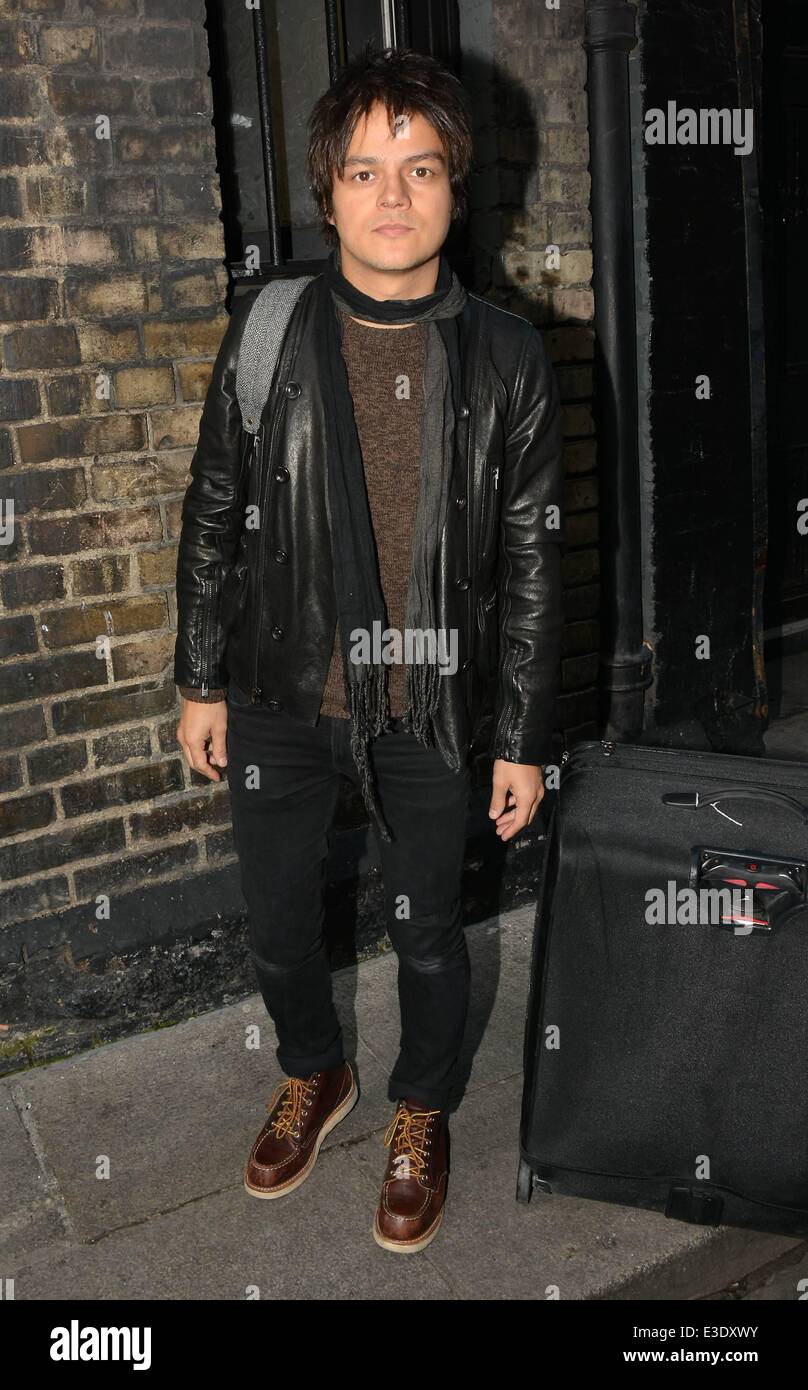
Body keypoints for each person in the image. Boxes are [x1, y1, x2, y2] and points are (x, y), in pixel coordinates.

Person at [173, 46, 564, 1254]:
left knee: (431, 931)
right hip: (283, 693)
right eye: (363, 170)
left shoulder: (508, 355)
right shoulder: (270, 326)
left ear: (456, 190)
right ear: (326, 190)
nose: (391, 197)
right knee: (281, 924)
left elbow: (538, 562)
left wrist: (525, 739)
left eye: (421, 168)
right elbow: (209, 506)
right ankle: (314, 1071)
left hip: (435, 704)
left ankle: (420, 1108)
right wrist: (196, 674)